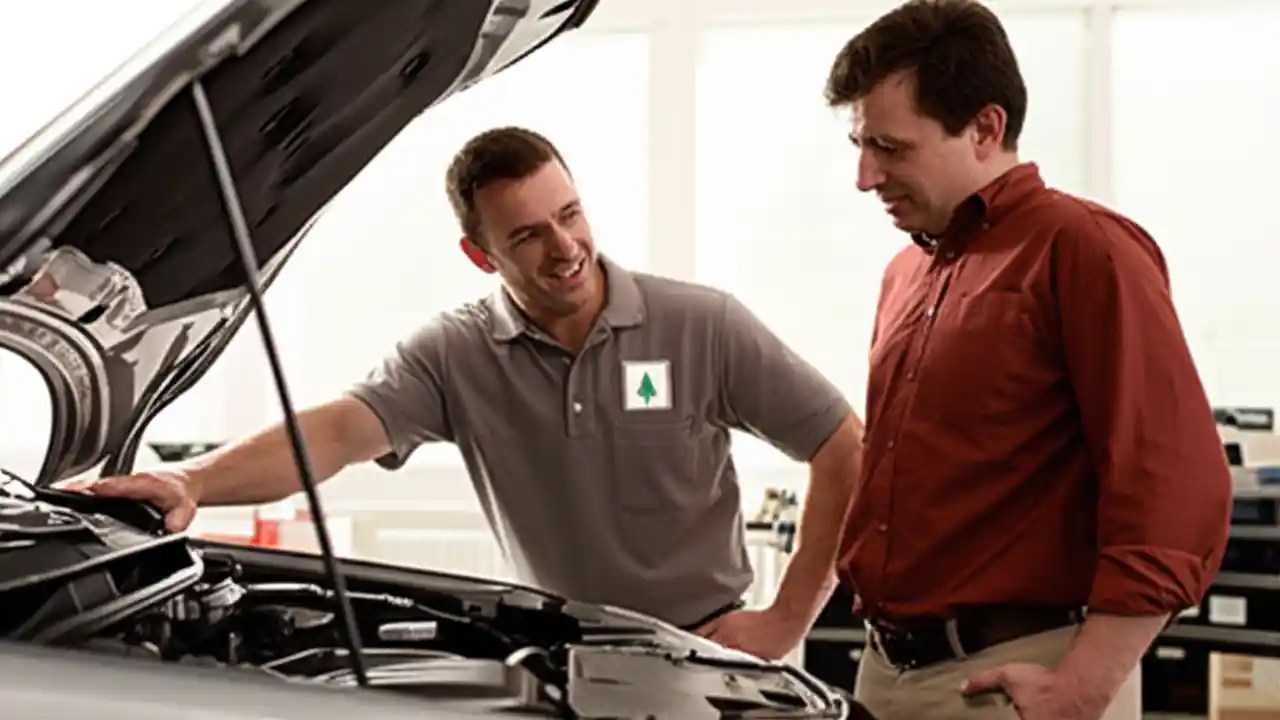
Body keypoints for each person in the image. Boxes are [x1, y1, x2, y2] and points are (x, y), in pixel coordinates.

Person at [69, 126, 865, 661]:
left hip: (703, 652)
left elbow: (841, 445)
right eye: (527, 235)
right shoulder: (454, 353)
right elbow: (337, 433)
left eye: (571, 215)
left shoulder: (702, 324)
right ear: (480, 254)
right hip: (560, 658)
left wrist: (787, 619)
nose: (566, 249)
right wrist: (192, 481)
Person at [820, 1, 1233, 718]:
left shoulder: (1084, 249)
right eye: (860, 145)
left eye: (890, 148)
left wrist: (1084, 686)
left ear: (986, 128)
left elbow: (1177, 489)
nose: (864, 175)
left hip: (1020, 677)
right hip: (887, 674)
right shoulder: (903, 276)